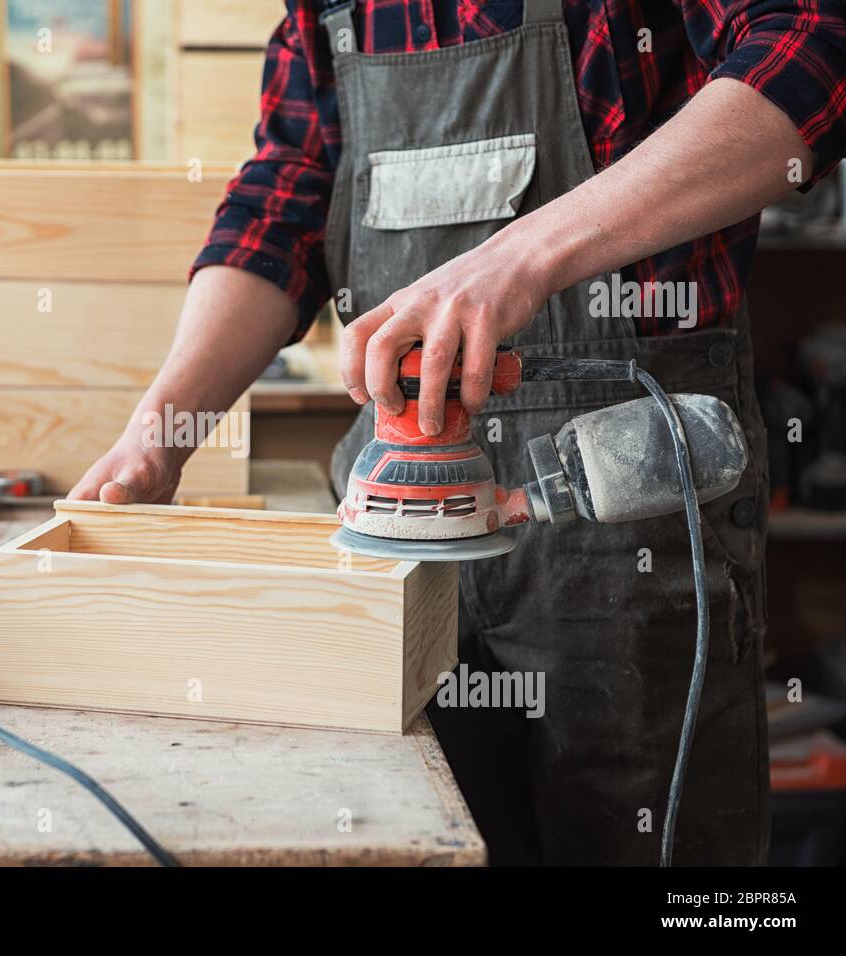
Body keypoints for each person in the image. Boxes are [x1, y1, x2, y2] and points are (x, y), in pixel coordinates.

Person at [69, 0, 845, 864]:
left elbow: (815, 48)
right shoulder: (330, 14)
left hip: (625, 517)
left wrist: (520, 257)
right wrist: (161, 431)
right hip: (394, 548)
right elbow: (279, 203)